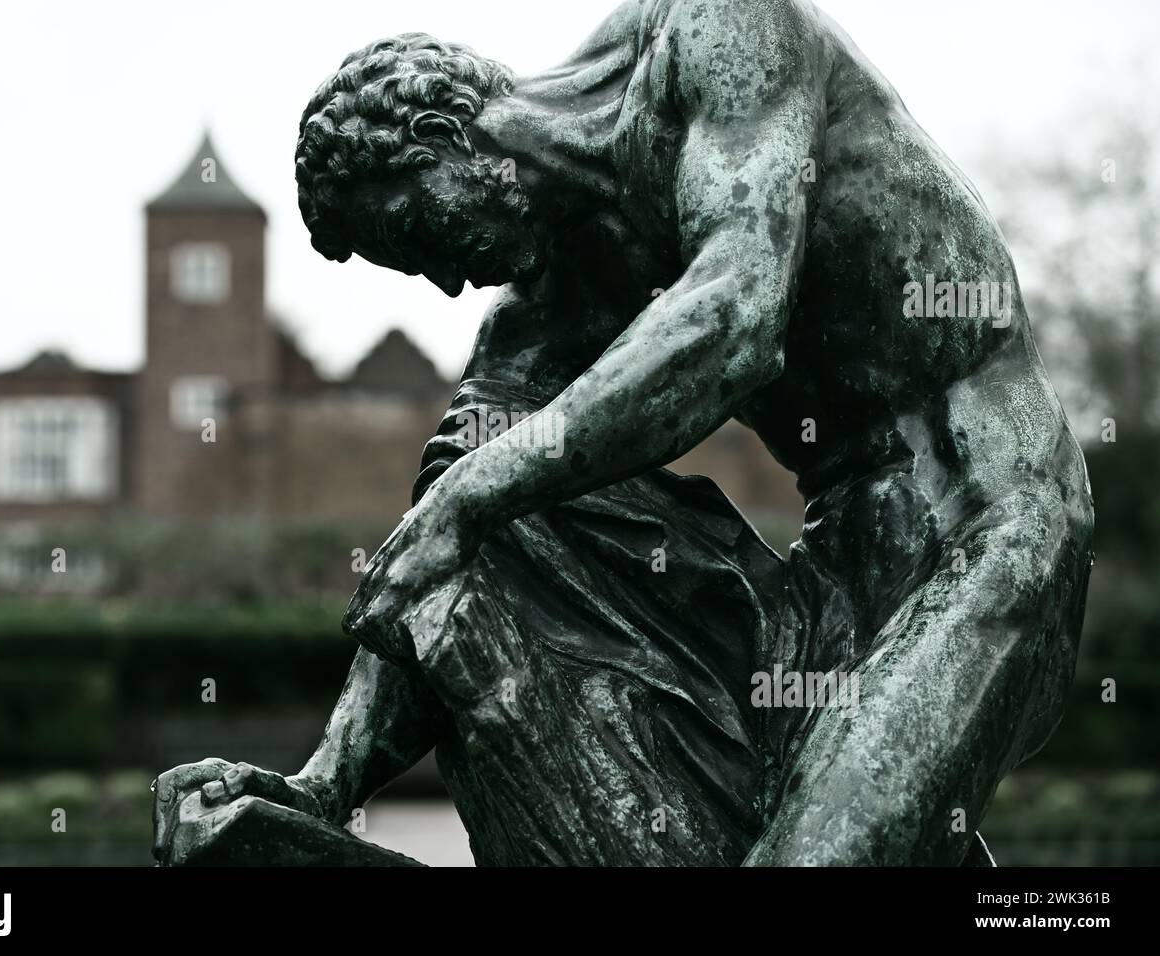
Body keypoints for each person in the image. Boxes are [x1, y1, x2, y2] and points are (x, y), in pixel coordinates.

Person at [155, 0, 1093, 866]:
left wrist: (476, 494)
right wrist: (326, 783)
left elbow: (734, 315)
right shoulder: (555, 295)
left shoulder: (718, 34)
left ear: (445, 138)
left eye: (418, 237)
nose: (444, 285)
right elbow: (439, 543)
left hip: (992, 527)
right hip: (836, 574)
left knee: (820, 854)